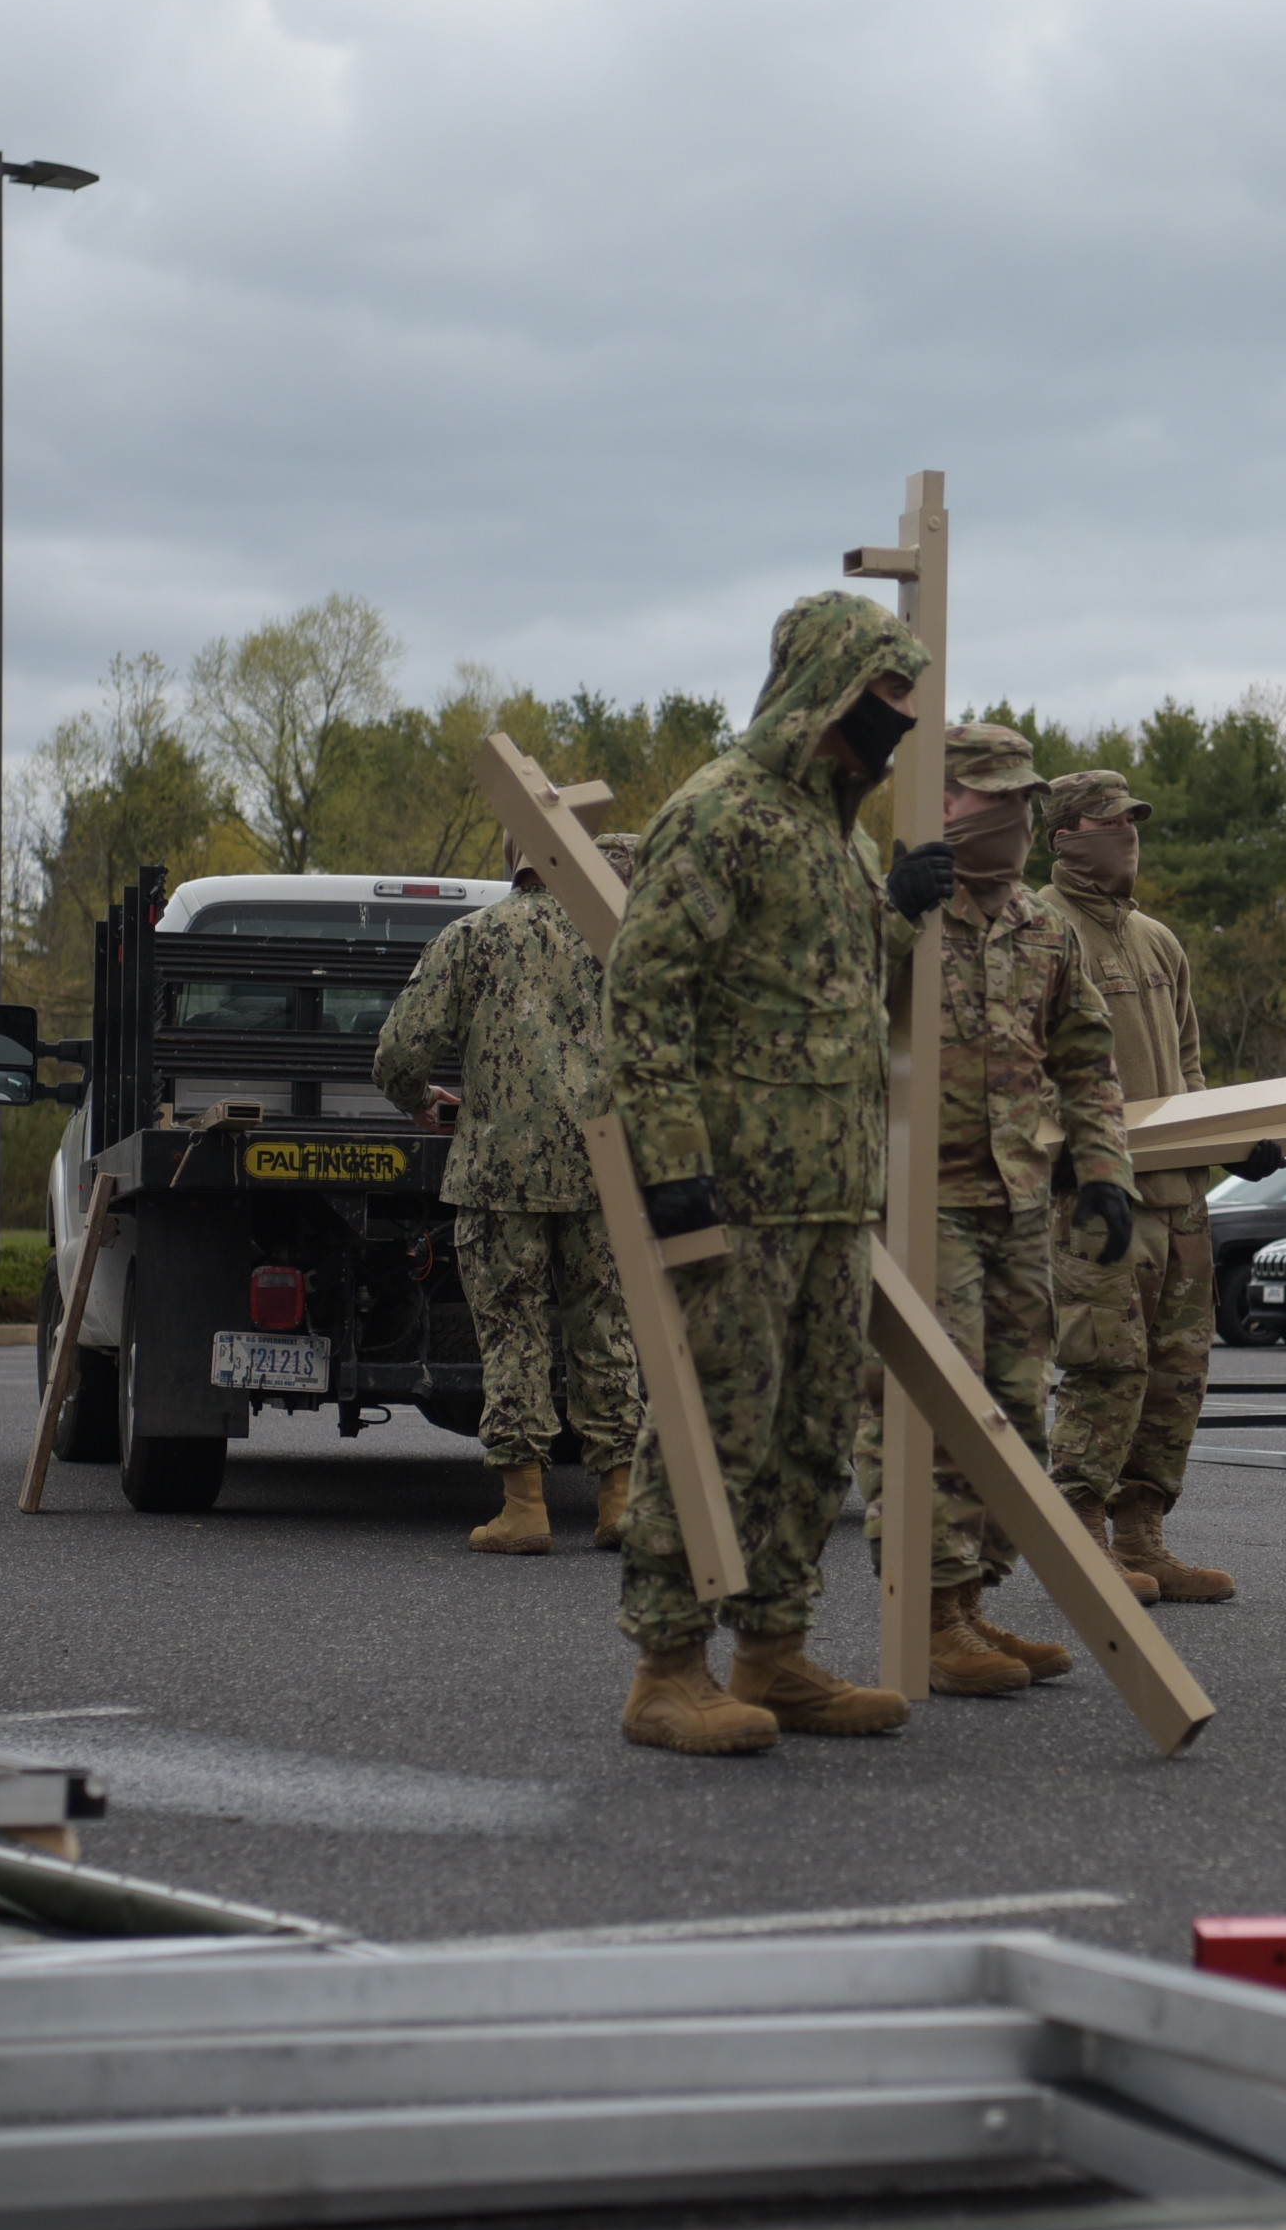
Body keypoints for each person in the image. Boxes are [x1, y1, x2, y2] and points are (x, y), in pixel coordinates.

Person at [601, 591, 956, 1757]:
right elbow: (646, 997)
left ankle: (773, 1649)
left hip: (830, 1194)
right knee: (715, 1425)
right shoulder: (719, 814)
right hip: (734, 1196)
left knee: (808, 1436)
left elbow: (829, 987)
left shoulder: (832, 833)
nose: (896, 733)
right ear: (824, 695)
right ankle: (667, 1665)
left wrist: (895, 919)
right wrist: (672, 1172)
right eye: (882, 707)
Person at [848, 722, 1135, 1694]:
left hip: (1014, 1205)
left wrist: (1103, 1170)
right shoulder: (889, 903)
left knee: (1015, 1414)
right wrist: (892, 915)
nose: (1013, 814)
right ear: (938, 802)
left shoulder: (1040, 926)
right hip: (914, 1203)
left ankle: (970, 1601)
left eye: (1024, 796)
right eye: (993, 795)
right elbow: (825, 1009)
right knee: (928, 1409)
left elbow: (1085, 1059)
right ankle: (925, 1613)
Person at [1033, 767, 1283, 1607]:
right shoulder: (1038, 930)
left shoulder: (1160, 942)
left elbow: (1191, 1070)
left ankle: (1143, 1535)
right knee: (1105, 1369)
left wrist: (1232, 1144)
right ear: (1067, 836)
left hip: (1182, 1203)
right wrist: (1061, 1152)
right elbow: (1019, 1067)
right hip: (1098, 1205)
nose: (1130, 836)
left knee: (1177, 1378)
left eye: (1134, 821)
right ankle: (1080, 1536)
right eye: (1112, 822)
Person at [374, 831, 648, 1557]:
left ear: (512, 861)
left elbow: (399, 1050)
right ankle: (619, 1499)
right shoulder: (615, 937)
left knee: (513, 1334)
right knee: (606, 1329)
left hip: (502, 1175)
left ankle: (525, 1507)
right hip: (603, 1171)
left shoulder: (471, 938)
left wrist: (417, 1099)